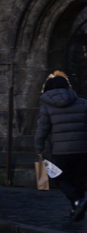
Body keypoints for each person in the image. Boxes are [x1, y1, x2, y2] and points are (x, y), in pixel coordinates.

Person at [34, 71, 87, 223]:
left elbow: (42, 130)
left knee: (58, 176)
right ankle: (77, 207)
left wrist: (38, 148)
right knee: (79, 180)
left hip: (61, 150)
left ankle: (77, 203)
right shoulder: (83, 103)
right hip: (83, 149)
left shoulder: (47, 106)